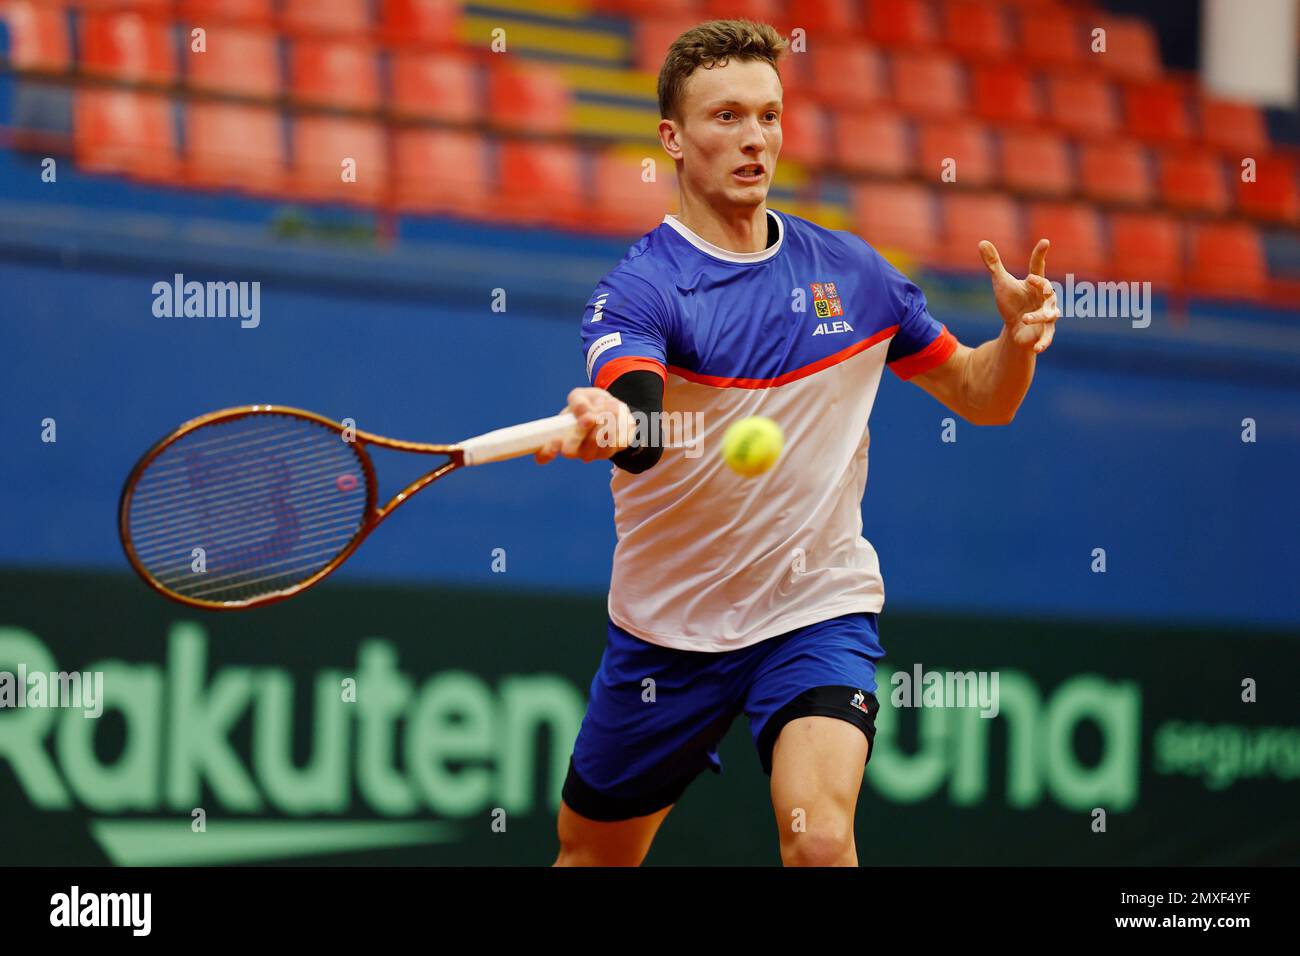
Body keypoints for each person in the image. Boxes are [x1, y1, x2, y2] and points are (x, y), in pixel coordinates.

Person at [537, 19, 1059, 866]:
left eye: (770, 116)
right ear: (671, 137)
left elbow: (980, 396)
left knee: (818, 841)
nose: (755, 140)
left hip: (813, 609)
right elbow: (634, 414)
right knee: (592, 854)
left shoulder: (855, 274)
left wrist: (1015, 346)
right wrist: (614, 422)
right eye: (727, 117)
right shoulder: (644, 288)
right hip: (668, 631)